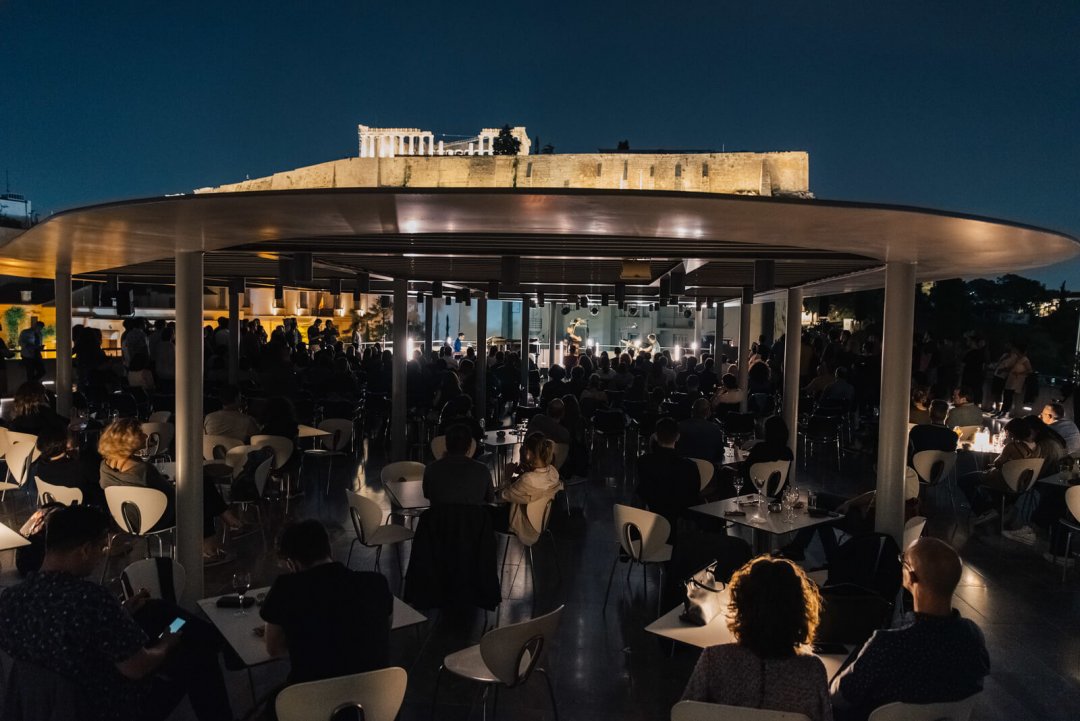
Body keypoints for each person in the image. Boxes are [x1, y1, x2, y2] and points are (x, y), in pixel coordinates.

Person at [0, 505, 232, 721]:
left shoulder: (11, 599)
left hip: (39, 706)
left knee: (154, 610)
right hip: (103, 707)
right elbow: (137, 667)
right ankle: (218, 642)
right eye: (101, 548)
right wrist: (166, 643)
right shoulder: (91, 599)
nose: (102, 557)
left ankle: (207, 635)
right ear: (85, 550)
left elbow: (60, 631)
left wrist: (121, 611)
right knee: (194, 652)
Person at [830, 538, 989, 720]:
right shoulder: (973, 636)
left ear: (911, 576)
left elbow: (840, 697)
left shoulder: (887, 645)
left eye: (903, 560)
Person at [682, 556, 831, 721]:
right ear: (799, 611)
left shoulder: (713, 661)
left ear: (741, 607)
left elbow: (685, 713)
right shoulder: (812, 671)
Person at [260, 519, 393, 685]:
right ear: (329, 549)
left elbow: (274, 649)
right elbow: (384, 627)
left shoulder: (285, 589)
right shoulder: (376, 583)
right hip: (376, 694)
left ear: (292, 564)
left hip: (313, 695)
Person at [98, 418, 240, 562]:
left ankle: (227, 520)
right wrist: (178, 483)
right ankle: (210, 547)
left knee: (200, 488)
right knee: (200, 489)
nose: (146, 436)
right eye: (140, 433)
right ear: (129, 440)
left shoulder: (105, 466)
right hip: (156, 518)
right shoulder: (143, 470)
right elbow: (169, 494)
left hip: (126, 519)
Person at [958, 416, 1041, 526]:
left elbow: (997, 463)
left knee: (963, 480)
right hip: (1021, 484)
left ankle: (982, 510)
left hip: (1002, 480)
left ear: (1011, 433)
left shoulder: (1011, 446)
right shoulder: (1036, 448)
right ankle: (993, 509)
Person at [636, 416, 701, 541]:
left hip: (652, 521)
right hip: (680, 525)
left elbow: (644, 491)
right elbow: (694, 494)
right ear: (678, 437)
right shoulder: (689, 466)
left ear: (656, 436)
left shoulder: (643, 462)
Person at [493, 432, 564, 546]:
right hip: (540, 523)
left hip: (522, 526)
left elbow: (501, 496)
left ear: (529, 453)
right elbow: (537, 483)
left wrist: (506, 476)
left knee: (483, 513)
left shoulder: (528, 480)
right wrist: (526, 471)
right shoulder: (553, 472)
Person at [423, 422, 494, 505]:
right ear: (469, 445)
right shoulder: (482, 470)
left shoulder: (431, 469)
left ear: (446, 444)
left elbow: (427, 495)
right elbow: (490, 498)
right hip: (473, 513)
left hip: (440, 514)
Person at [908, 399, 958, 464]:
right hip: (942, 469)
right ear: (947, 414)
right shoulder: (953, 436)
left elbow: (909, 451)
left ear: (930, 412)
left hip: (917, 466)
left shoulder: (916, 430)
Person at [676, 398, 725, 463]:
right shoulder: (715, 429)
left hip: (682, 466)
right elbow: (719, 454)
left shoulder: (679, 426)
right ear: (708, 412)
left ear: (692, 411)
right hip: (707, 468)